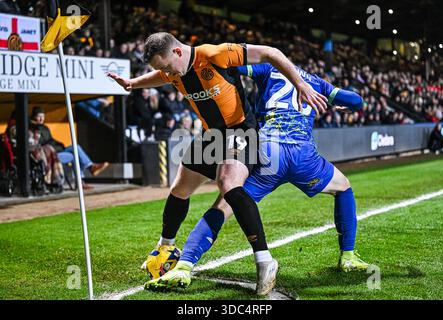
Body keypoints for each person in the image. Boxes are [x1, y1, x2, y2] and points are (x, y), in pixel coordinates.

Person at [108, 32, 328, 295]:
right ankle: (166, 246)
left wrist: (300, 84)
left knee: (227, 181)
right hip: (212, 135)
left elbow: (271, 52)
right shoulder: (171, 69)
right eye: (162, 69)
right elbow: (160, 76)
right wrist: (134, 83)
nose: (167, 74)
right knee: (180, 187)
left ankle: (265, 260)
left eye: (166, 66)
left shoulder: (215, 54)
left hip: (241, 131)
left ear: (178, 52)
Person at [148, 63, 369, 290]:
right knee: (343, 187)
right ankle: (348, 256)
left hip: (268, 153)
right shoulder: (317, 83)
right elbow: (356, 101)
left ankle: (184, 266)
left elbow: (229, 67)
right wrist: (337, 103)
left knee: (226, 204)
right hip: (303, 156)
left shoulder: (269, 67)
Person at [29, 107, 109, 190]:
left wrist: (60, 145)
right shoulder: (33, 129)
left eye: (43, 116)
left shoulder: (45, 128)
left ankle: (90, 167)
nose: (41, 118)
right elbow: (42, 143)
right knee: (74, 156)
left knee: (76, 147)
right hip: (50, 155)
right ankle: (83, 179)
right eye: (39, 116)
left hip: (58, 149)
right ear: (34, 117)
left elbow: (51, 140)